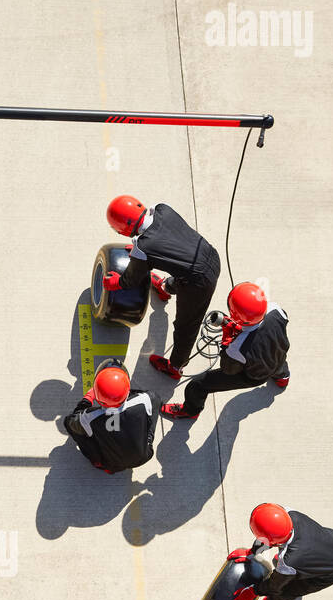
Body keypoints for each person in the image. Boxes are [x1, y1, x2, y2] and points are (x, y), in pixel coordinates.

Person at [101, 194, 220, 380]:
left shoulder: (143, 247)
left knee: (185, 327)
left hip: (199, 283)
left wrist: (115, 282)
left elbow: (130, 280)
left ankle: (176, 366)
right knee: (182, 272)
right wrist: (137, 253)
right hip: (210, 255)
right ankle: (165, 288)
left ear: (122, 230)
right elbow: (169, 243)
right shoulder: (162, 208)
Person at [161, 282, 290, 421]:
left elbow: (229, 369)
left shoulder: (237, 348)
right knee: (276, 359)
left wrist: (226, 342)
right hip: (278, 356)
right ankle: (283, 377)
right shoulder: (275, 310)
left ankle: (190, 411)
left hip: (253, 375)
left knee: (197, 385)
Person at [230, 502, 333, 600]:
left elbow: (274, 585)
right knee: (289, 565)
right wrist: (251, 552)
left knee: (289, 589)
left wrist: (253, 591)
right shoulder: (287, 513)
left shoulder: (289, 562)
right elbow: (268, 535)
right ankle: (298, 566)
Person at [63, 366, 158, 473]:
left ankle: (98, 461)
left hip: (110, 464)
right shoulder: (146, 399)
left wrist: (87, 399)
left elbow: (70, 422)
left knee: (73, 425)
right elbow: (156, 400)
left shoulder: (91, 418)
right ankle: (147, 442)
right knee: (152, 408)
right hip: (144, 456)